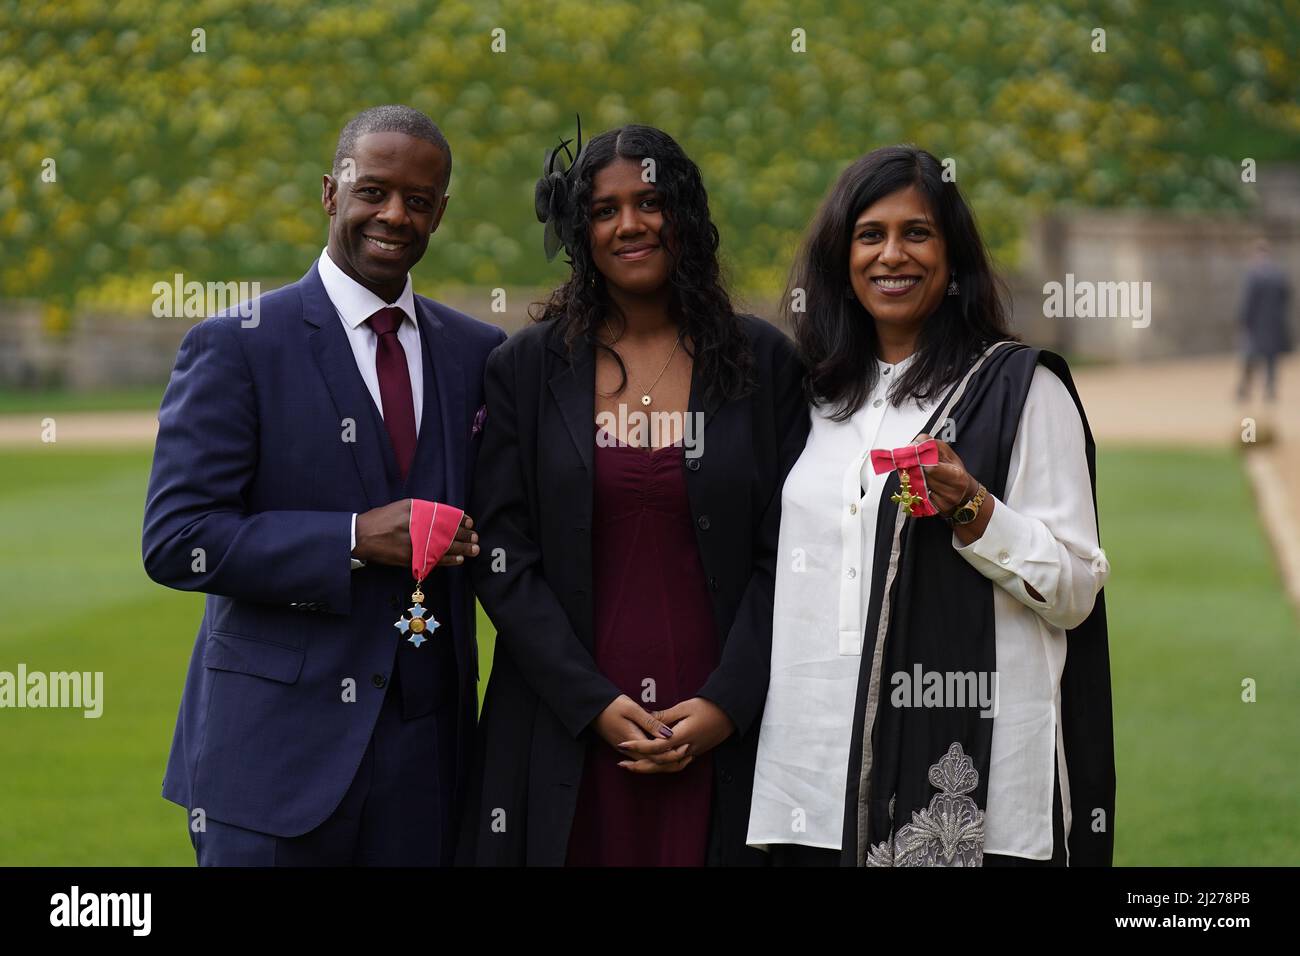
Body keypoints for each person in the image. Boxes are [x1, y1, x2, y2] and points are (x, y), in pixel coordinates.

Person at [143, 105, 505, 865]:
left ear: (441, 211)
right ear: (329, 193)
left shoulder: (478, 353)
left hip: (429, 770)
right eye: (373, 190)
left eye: (419, 199)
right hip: (270, 764)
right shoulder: (235, 344)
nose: (394, 215)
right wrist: (352, 538)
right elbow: (178, 542)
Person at [746, 145, 1114, 867]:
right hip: (810, 785)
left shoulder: (1020, 392)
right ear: (840, 256)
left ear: (954, 258)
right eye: (870, 234)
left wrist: (975, 510)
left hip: (977, 791)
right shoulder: (811, 399)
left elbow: (1075, 590)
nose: (892, 255)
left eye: (917, 233)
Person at [458, 123, 809, 866]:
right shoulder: (524, 368)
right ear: (580, 231)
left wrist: (727, 703)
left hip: (727, 728)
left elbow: (792, 552)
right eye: (604, 210)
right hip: (566, 726)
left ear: (684, 212)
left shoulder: (764, 361)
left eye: (651, 201)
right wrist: (590, 702)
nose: (630, 225)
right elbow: (503, 556)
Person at [1236, 237, 1292, 403]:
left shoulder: (1254, 275)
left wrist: (1243, 321)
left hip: (1256, 324)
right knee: (1271, 359)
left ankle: (1244, 390)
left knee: (1249, 357)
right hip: (1274, 323)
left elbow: (1248, 302)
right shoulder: (1279, 274)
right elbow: (1286, 297)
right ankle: (1270, 390)